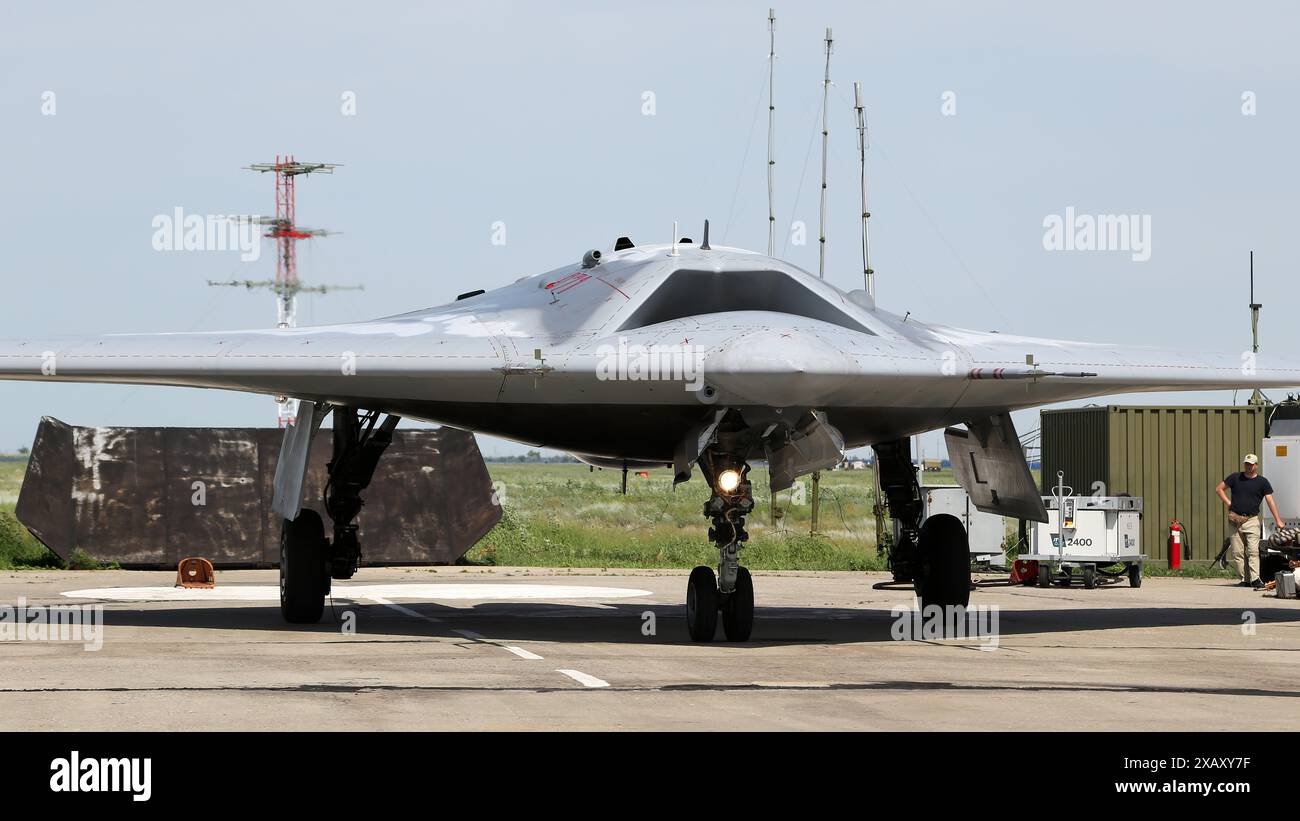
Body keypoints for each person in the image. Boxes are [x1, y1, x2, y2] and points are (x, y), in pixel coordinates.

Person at [1216, 454, 1284, 589]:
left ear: (1256, 465)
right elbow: (1219, 489)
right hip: (1234, 519)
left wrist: (1278, 520)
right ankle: (1244, 579)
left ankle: (1255, 579)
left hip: (1251, 520)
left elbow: (1270, 501)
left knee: (1253, 551)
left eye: (1251, 464)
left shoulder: (1262, 482)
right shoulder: (1235, 477)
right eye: (1247, 463)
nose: (1249, 466)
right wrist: (1228, 502)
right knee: (1237, 552)